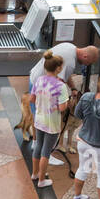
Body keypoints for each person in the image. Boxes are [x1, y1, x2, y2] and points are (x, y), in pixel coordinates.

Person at [30, 51, 70, 189]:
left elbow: (32, 99)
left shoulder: (39, 80)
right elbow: (62, 107)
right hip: (52, 123)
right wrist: (67, 102)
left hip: (39, 119)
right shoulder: (61, 86)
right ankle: (42, 180)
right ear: (58, 68)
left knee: (38, 147)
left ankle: (34, 174)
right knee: (46, 151)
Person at [29, 41, 97, 91]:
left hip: (35, 77)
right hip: (40, 89)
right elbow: (57, 87)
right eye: (88, 62)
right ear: (85, 56)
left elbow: (65, 73)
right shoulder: (71, 63)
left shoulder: (70, 46)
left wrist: (73, 88)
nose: (86, 65)